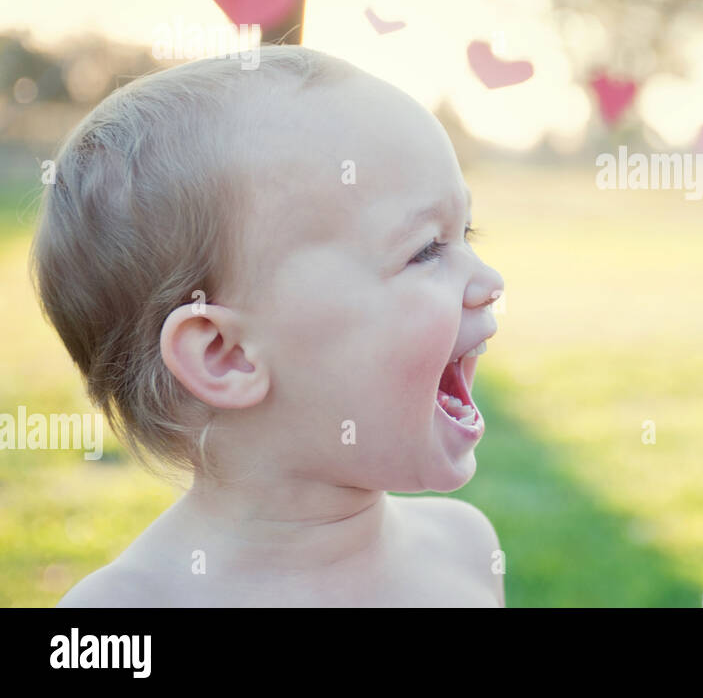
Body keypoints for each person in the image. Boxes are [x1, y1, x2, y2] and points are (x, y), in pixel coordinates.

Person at [32, 46, 505, 606]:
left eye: (466, 234)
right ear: (224, 354)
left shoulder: (463, 549)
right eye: (426, 249)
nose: (489, 280)